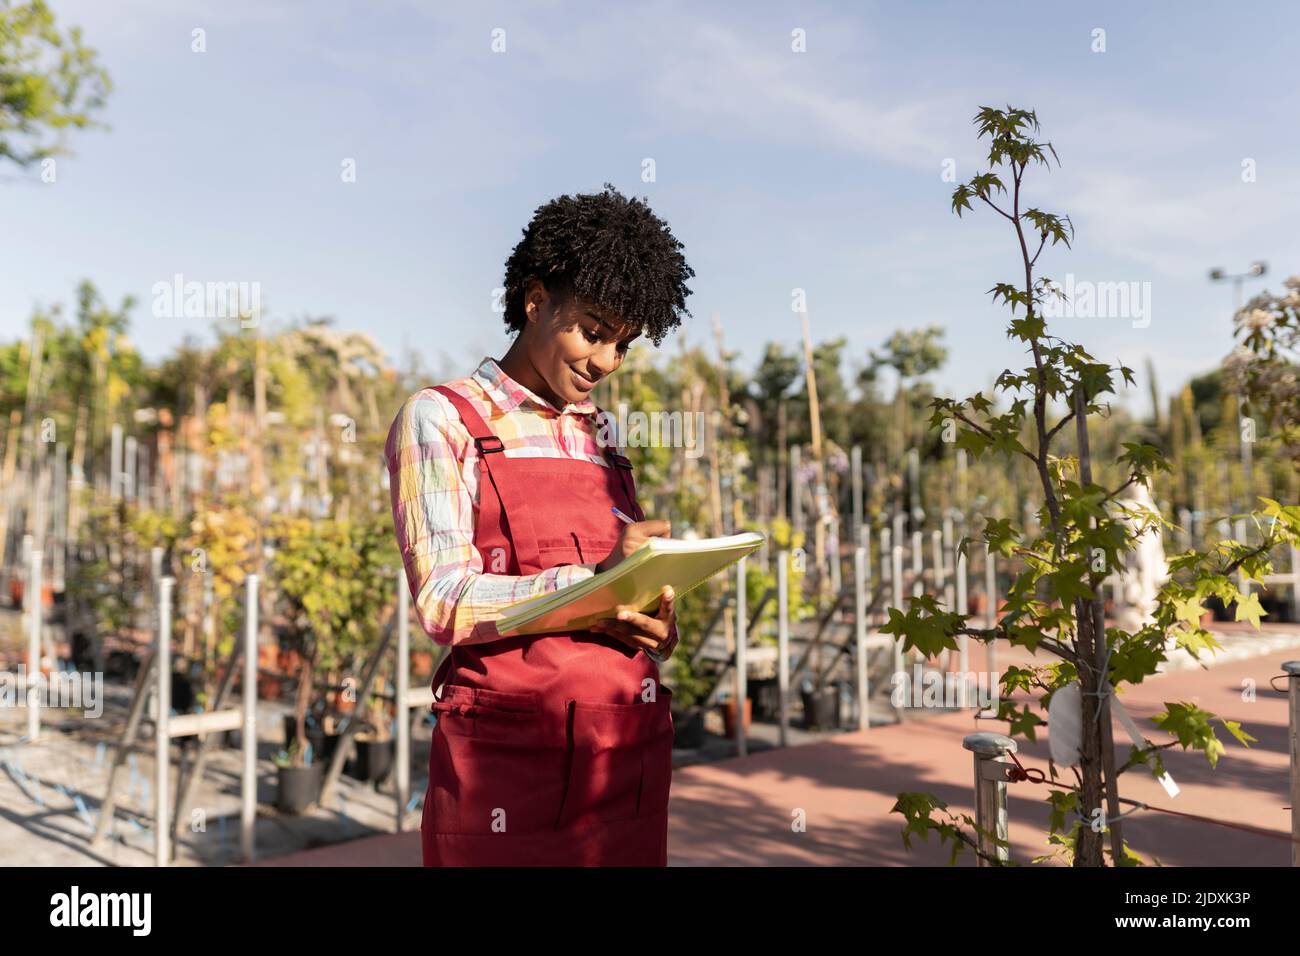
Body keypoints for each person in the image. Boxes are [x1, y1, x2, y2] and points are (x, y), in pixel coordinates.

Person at [386, 183, 695, 866]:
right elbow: (444, 602)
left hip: (625, 765)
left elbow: (623, 595)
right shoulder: (442, 419)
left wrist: (655, 623)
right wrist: (592, 587)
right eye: (592, 331)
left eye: (624, 344)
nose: (606, 363)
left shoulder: (603, 438)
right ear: (535, 300)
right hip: (511, 775)